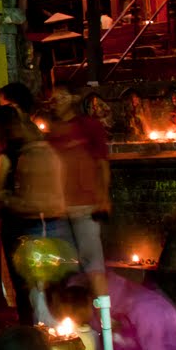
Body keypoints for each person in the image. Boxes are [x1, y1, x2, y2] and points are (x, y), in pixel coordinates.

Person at [0, 105, 70, 323]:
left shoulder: (7, 156)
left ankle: (32, 325)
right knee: (48, 278)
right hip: (49, 221)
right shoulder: (36, 148)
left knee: (25, 282)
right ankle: (54, 323)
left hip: (19, 223)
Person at [46, 85, 110, 295]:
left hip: (86, 205)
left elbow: (102, 163)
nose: (55, 103)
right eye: (52, 100)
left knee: (93, 261)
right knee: (65, 265)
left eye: (61, 97)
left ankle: (104, 311)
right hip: (59, 208)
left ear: (73, 98)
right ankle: (75, 309)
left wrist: (103, 197)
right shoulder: (51, 132)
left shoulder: (88, 126)